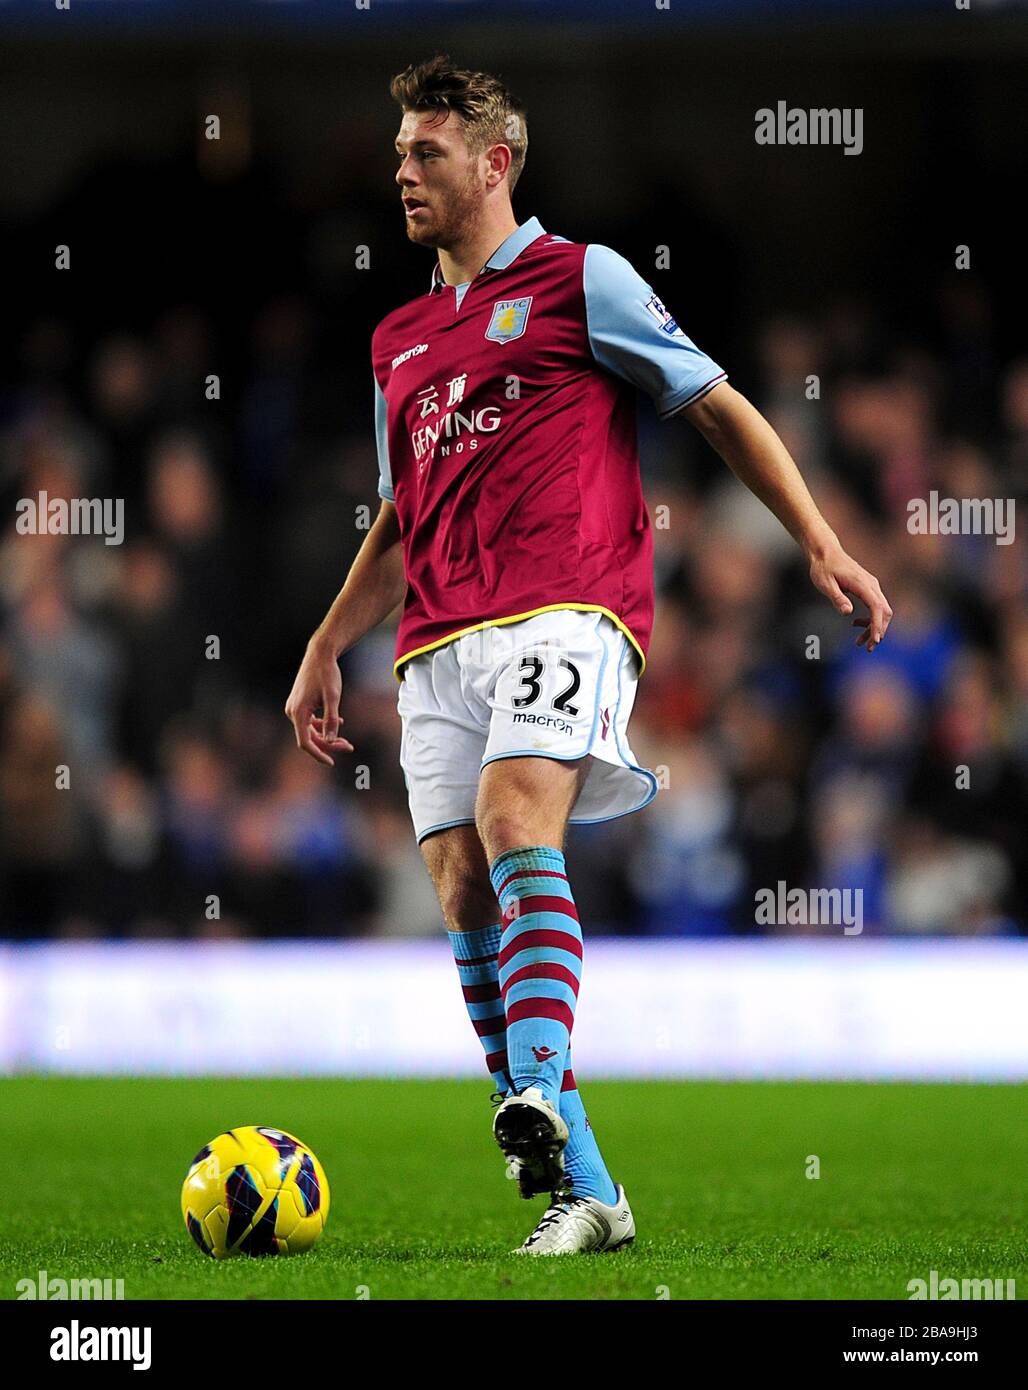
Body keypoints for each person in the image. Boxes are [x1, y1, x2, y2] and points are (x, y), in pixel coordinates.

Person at [285, 55, 893, 1256]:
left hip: (570, 606)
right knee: (459, 890)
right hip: (434, 643)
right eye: (399, 152)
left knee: (520, 820)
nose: (401, 171)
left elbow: (714, 402)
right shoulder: (397, 338)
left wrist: (819, 541)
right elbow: (399, 514)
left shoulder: (580, 279)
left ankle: (531, 1086)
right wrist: (322, 643)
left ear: (494, 163)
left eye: (426, 153)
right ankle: (591, 1190)